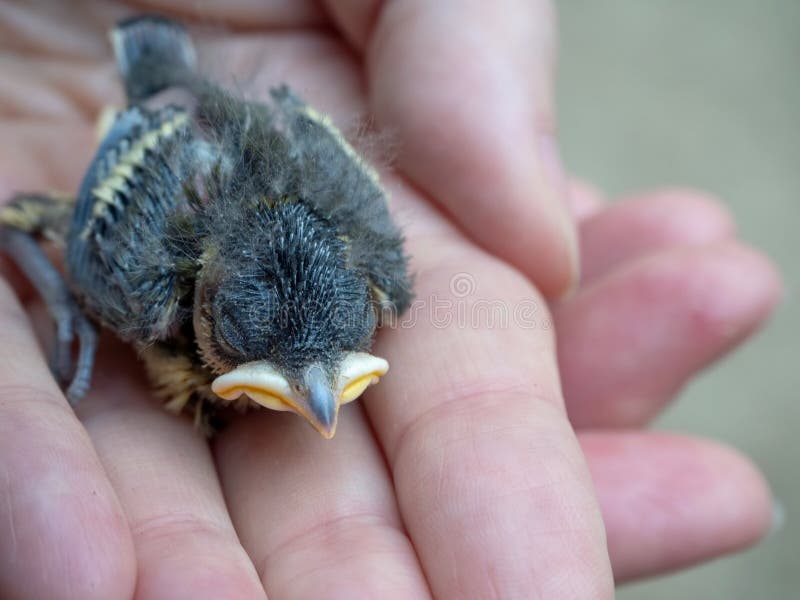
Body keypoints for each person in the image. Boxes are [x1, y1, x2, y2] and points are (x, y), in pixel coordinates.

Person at [0, 2, 780, 598]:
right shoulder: (144, 286)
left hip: (244, 148)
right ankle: (144, 67)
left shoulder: (378, 273)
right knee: (44, 236)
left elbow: (306, 139)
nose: (317, 398)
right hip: (157, 131)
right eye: (254, 345)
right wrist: (71, 305)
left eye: (332, 351)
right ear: (203, 310)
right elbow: (134, 155)